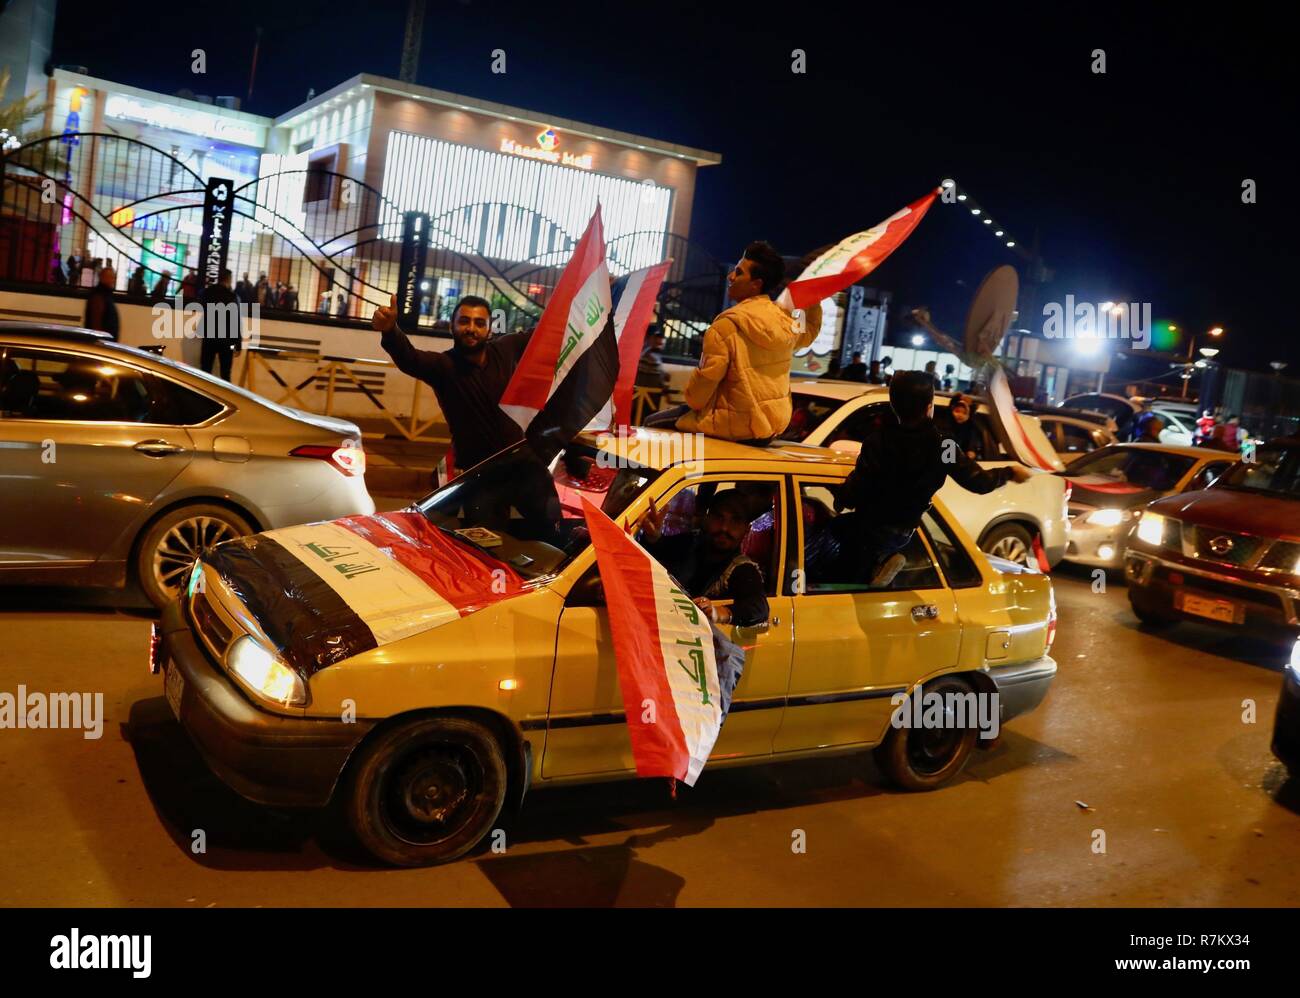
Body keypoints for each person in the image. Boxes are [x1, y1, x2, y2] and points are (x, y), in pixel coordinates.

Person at [834, 371, 1032, 586]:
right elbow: (977, 481)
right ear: (929, 406)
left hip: (868, 526)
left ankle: (879, 565)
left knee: (837, 564)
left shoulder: (877, 440)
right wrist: (1009, 473)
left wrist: (841, 498)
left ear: (893, 404)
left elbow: (860, 484)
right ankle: (881, 564)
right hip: (903, 531)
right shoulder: (943, 444)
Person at [643, 241, 821, 443]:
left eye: (739, 273)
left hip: (730, 424)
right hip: (769, 429)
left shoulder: (726, 325)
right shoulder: (785, 321)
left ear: (756, 284)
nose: (731, 276)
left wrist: (692, 399)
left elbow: (697, 396)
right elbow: (809, 332)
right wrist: (810, 297)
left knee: (650, 424)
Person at [372, 292, 534, 472]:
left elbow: (546, 333)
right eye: (464, 321)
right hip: (472, 473)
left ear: (489, 330)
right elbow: (409, 357)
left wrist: (569, 299)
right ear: (452, 326)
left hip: (519, 464)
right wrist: (390, 331)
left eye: (480, 323)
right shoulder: (444, 367)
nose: (471, 328)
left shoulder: (505, 350)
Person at [637, 490, 769, 627]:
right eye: (719, 517)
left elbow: (759, 608)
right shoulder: (689, 543)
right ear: (707, 519)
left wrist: (719, 613)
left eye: (735, 520)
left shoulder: (741, 569)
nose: (724, 528)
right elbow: (660, 550)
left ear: (746, 530)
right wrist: (653, 538)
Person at [198, 268, 242, 381]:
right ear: (229, 280)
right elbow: (235, 321)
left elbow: (201, 303)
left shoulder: (207, 293)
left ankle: (202, 397)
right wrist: (238, 343)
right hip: (227, 340)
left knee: (205, 371)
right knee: (226, 373)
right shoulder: (232, 297)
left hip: (209, 337)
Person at [939, 393, 981, 460]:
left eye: (964, 413)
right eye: (957, 411)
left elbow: (972, 443)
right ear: (951, 410)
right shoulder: (944, 426)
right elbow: (948, 458)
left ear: (968, 415)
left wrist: (971, 451)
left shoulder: (970, 430)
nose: (960, 415)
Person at [83, 265, 119, 340]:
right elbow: (96, 324)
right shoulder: (99, 296)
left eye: (113, 277)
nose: (113, 280)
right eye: (111, 277)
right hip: (103, 343)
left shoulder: (104, 295)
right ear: (103, 278)